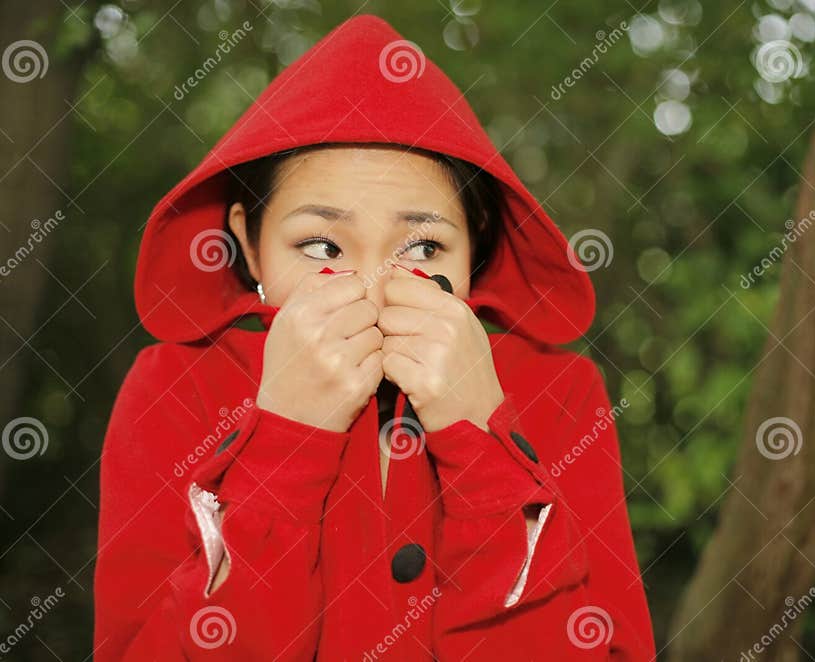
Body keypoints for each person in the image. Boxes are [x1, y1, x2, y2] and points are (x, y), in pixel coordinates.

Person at [93, 13, 654, 661]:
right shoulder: (174, 388)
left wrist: (483, 444)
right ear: (248, 244)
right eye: (322, 244)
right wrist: (285, 442)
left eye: (422, 247)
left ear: (475, 249)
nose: (372, 286)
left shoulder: (562, 392)